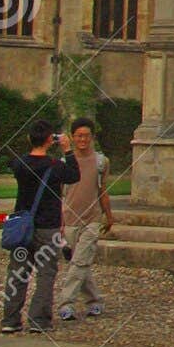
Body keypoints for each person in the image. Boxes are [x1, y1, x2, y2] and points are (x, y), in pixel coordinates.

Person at [2, 119, 80, 335]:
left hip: (21, 228)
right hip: (47, 227)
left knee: (17, 273)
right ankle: (38, 320)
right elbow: (74, 175)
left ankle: (10, 319)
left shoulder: (19, 164)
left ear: (29, 139)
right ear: (49, 139)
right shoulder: (55, 167)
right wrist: (67, 149)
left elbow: (13, 164)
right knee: (45, 274)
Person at [57, 117, 112, 321]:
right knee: (82, 262)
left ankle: (66, 303)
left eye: (87, 136)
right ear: (72, 137)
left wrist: (109, 215)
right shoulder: (64, 163)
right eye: (79, 136)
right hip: (70, 219)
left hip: (92, 219)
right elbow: (60, 194)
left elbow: (102, 190)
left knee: (79, 261)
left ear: (92, 137)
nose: (83, 140)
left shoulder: (101, 161)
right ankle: (94, 301)